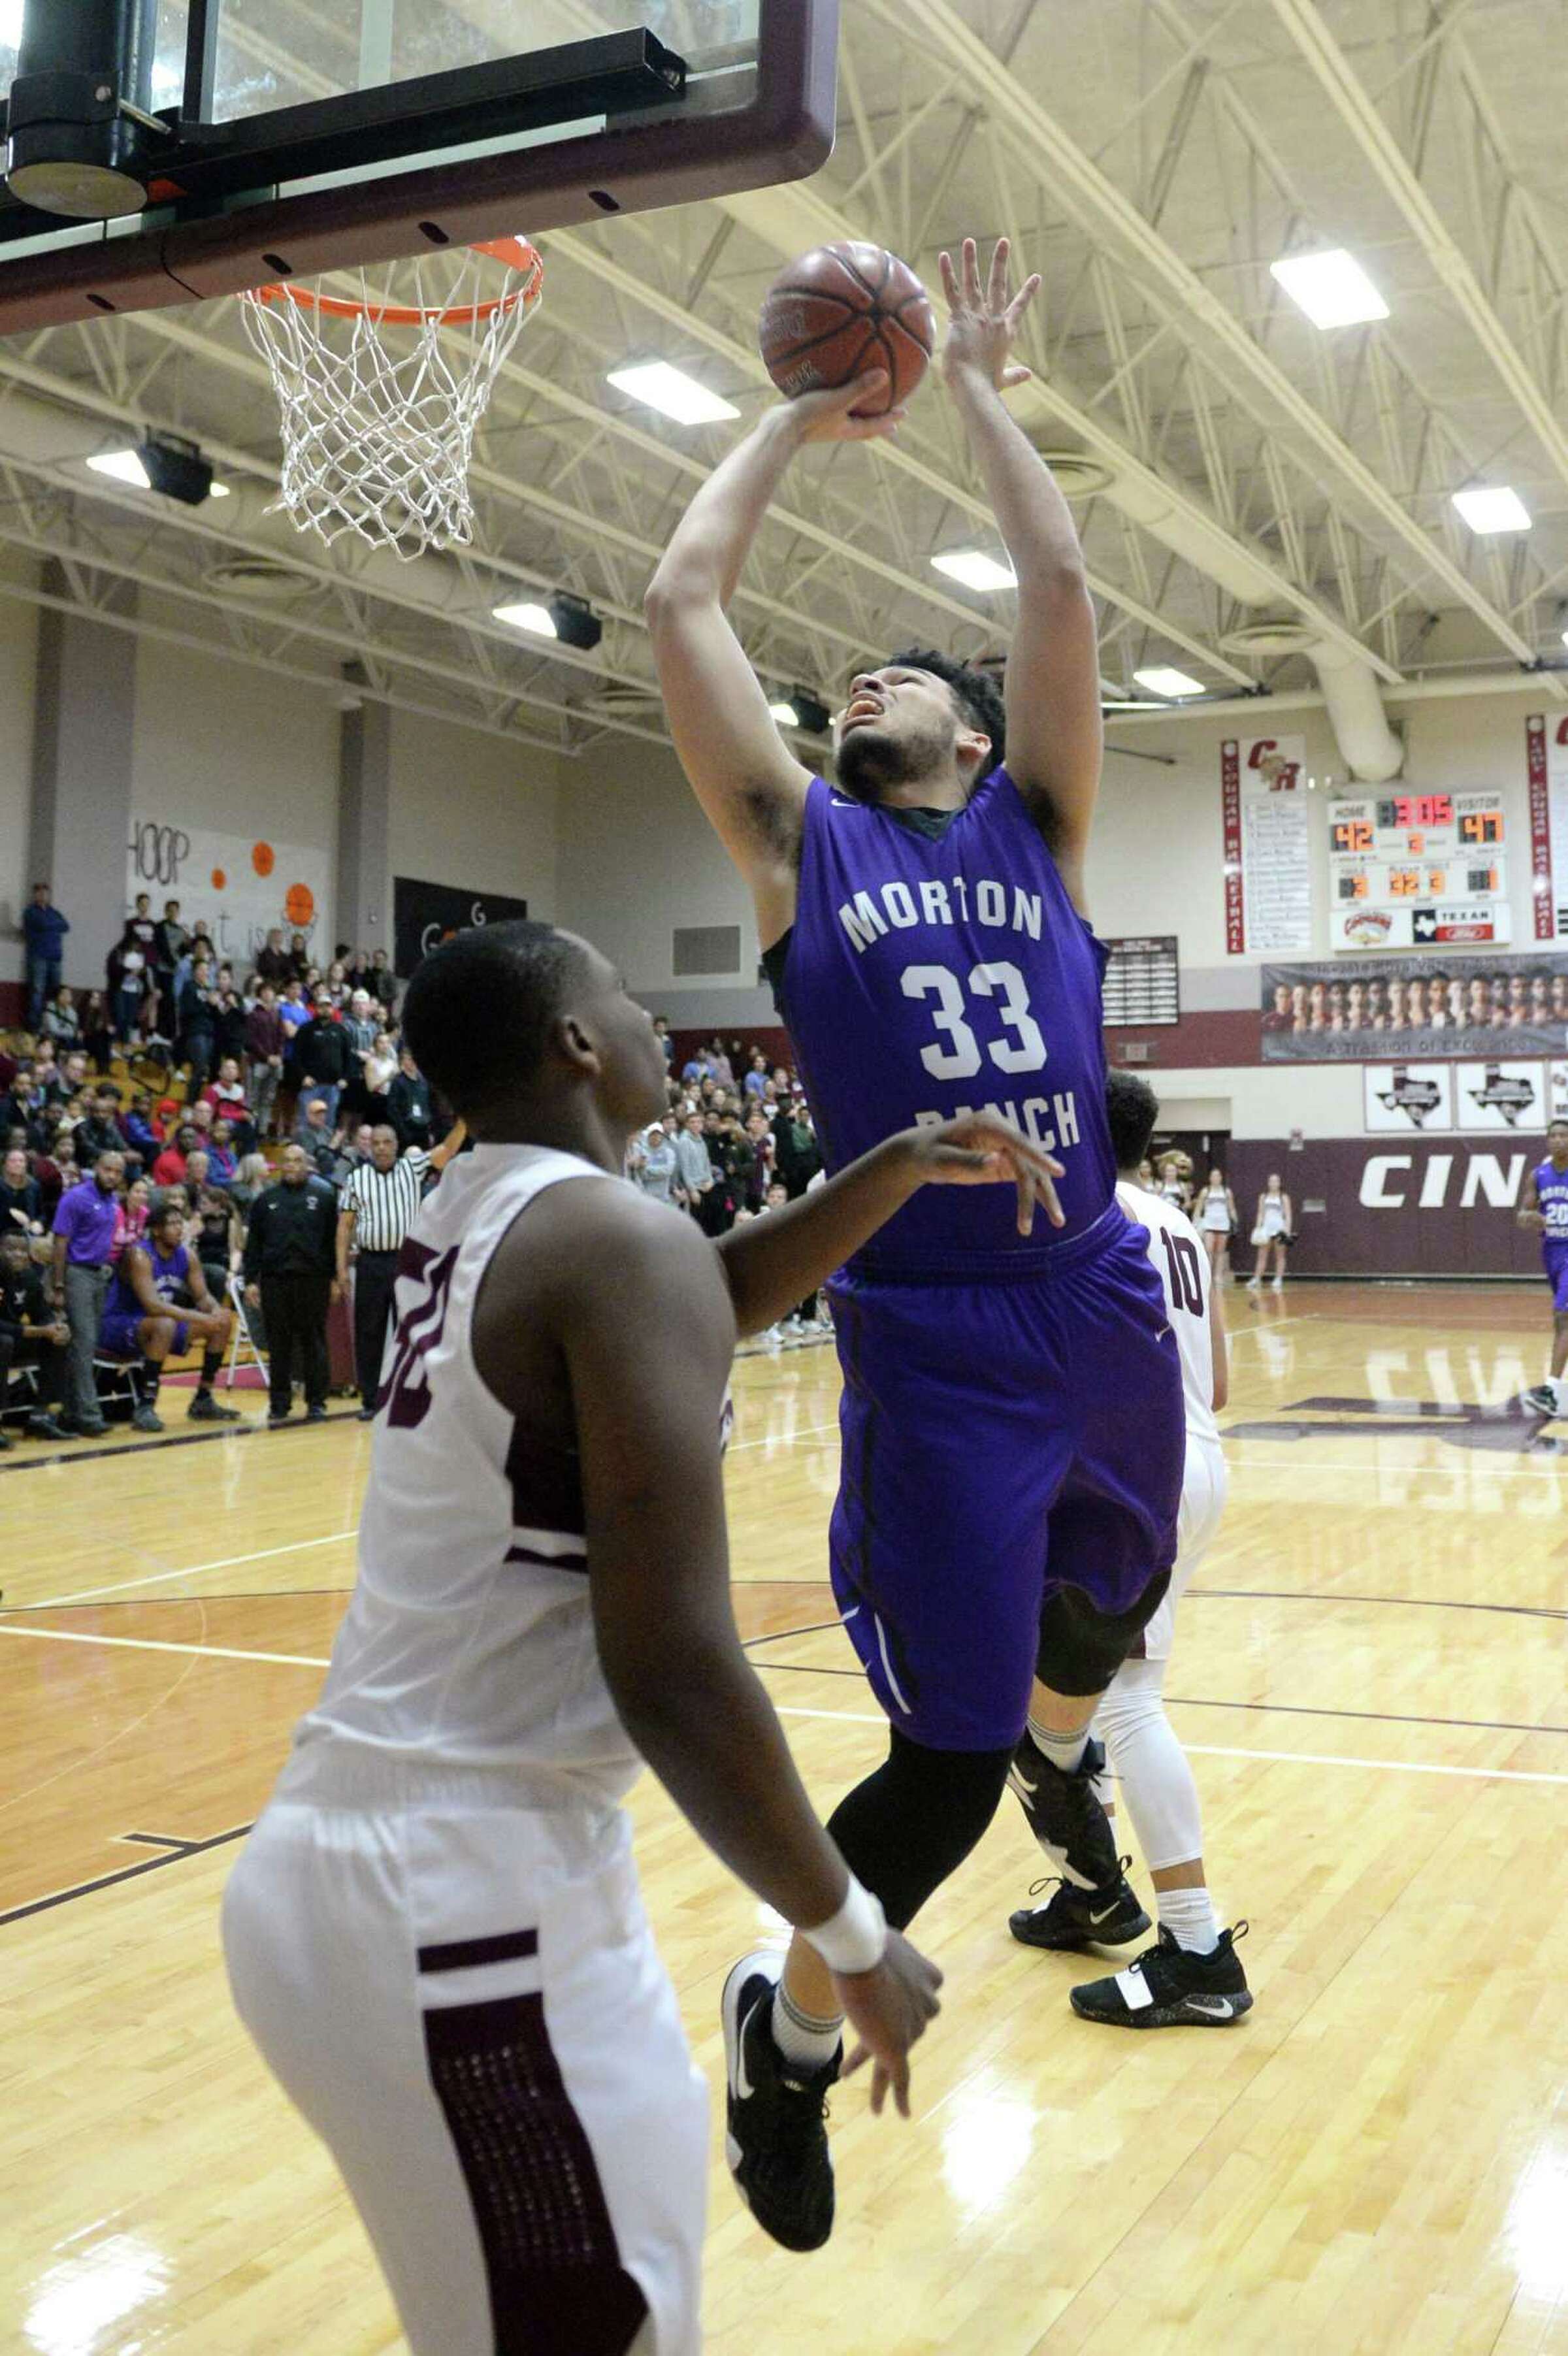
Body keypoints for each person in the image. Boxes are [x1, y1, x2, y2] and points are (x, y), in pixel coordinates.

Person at [220, 919, 1060, 2355]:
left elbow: (706, 1296)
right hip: (463, 1890)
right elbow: (669, 1663)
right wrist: (847, 1928)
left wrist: (894, 1167)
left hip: (384, 1859)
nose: (653, 1013)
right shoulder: (611, 1238)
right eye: (624, 989)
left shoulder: (480, 1204)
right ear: (577, 1045)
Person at [645, 234, 1183, 2250]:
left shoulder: (1034, 825)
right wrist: (805, 397)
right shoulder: (800, 845)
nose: (869, 679)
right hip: (935, 1331)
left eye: (908, 675)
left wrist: (960, 379)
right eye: (847, 680)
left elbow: (1055, 591)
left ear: (970, 728)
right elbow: (681, 598)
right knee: (942, 1771)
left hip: (1095, 1290)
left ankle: (1070, 1766)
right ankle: (775, 2035)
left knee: (1101, 1628)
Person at [1009, 1075, 1250, 2023]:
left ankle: (1196, 1949)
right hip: (1194, 1460)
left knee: (1127, 1702)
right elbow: (1222, 1382)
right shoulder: (1181, 1223)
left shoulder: (1082, 1220)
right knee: (1057, 1711)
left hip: (1133, 1477)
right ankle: (1091, 1889)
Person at [336, 1118, 466, 1419]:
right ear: (369, 1146)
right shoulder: (357, 1178)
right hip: (370, 1262)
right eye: (376, 1143)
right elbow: (345, 1227)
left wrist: (464, 1121)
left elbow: (446, 1150)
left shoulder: (412, 1168)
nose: (381, 1148)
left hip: (407, 1260)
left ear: (396, 1146)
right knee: (368, 1334)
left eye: (387, 1143)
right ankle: (370, 1400)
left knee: (412, 1331)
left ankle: (414, 1398)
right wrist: (342, 1270)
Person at [99, 1194, 239, 1432]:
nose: (179, 1229)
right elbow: (152, 1306)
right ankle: (146, 1405)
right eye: (172, 1224)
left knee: (223, 1324)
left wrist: (216, 1312)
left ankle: (203, 1398)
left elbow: (203, 1297)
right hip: (119, 1324)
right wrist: (200, 1317)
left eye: (180, 1223)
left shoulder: (187, 1255)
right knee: (164, 1324)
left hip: (161, 1324)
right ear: (156, 1231)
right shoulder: (139, 1255)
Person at [242, 1142, 340, 1427]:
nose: (292, 1166)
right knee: (279, 1344)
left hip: (314, 1280)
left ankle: (317, 1402)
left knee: (314, 1342)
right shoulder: (266, 1201)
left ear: (307, 1165)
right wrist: (251, 1280)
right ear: (280, 1165)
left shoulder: (323, 1198)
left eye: (298, 1161)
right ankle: (279, 1402)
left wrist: (336, 1278)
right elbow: (254, 1246)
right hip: (275, 1281)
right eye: (287, 1161)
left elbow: (332, 1242)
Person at [50, 1146, 125, 1435]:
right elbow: (60, 1242)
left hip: (99, 1274)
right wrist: (58, 1284)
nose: (112, 1176)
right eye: (108, 1169)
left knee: (86, 1345)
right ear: (97, 1168)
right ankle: (89, 1414)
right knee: (83, 1343)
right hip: (76, 1273)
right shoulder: (76, 1198)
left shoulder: (113, 1201)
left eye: (118, 1172)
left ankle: (70, 1412)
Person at [0, 1228, 71, 1443]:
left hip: (14, 1339)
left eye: (23, 1250)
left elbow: (42, 1314)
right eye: (11, 1249)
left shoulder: (29, 1277)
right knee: (4, 1342)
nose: (18, 1255)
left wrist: (57, 1327)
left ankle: (41, 1416)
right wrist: (41, 1330)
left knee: (57, 1340)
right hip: (5, 1339)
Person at [1519, 1119, 1568, 1418]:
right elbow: (1523, 1213)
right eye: (1554, 1136)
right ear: (1547, 1141)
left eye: (1564, 1135)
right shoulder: (1538, 1176)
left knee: (1565, 1315)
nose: (1559, 1140)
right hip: (1552, 1252)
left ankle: (1550, 1390)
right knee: (1561, 1322)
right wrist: (1529, 1217)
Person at [23, 882, 69, 1031]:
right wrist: (53, 924)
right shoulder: (30, 912)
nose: (43, 895)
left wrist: (50, 924)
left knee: (55, 993)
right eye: (40, 893)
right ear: (35, 895)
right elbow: (41, 923)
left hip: (55, 958)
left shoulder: (54, 912)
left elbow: (66, 926)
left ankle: (51, 1027)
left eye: (46, 893)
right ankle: (34, 1028)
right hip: (38, 957)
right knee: (37, 993)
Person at [1247, 1173, 1292, 1292]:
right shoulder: (1263, 1197)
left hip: (1279, 1229)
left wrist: (1287, 1230)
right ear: (1268, 1183)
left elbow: (1288, 1215)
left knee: (1280, 1255)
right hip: (1266, 1230)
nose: (1273, 1183)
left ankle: (1278, 1278)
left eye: (1276, 1181)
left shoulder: (1284, 1197)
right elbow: (1261, 1213)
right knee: (1262, 1255)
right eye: (1271, 1181)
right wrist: (1258, 1228)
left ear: (1279, 1183)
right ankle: (1257, 1278)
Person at [385, 1046, 434, 1148]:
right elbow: (392, 1109)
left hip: (424, 1129)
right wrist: (403, 1131)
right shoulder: (398, 1082)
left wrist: (431, 1131)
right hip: (407, 1130)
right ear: (403, 1061)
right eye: (409, 1059)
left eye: (414, 1059)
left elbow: (430, 1105)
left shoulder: (424, 1081)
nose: (412, 1062)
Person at [1194, 1167, 1237, 1284]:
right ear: (1210, 1178)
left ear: (1221, 1178)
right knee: (1209, 1250)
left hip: (1223, 1224)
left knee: (1220, 1251)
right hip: (1209, 1224)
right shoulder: (1205, 1191)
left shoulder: (1226, 1192)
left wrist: (1235, 1221)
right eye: (1213, 1176)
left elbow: (1231, 1208)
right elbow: (1199, 1208)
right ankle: (1208, 1275)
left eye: (1218, 1176)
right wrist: (1195, 1223)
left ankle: (1218, 1276)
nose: (1216, 1178)